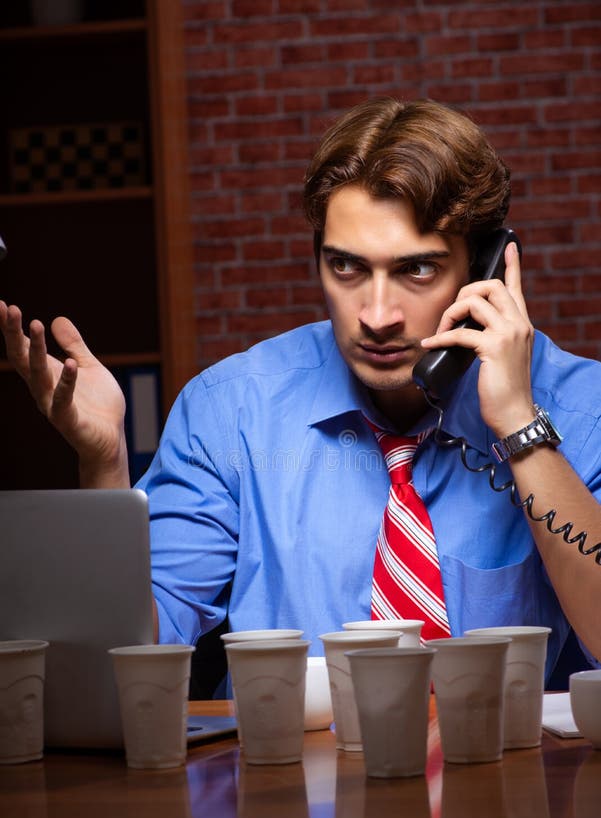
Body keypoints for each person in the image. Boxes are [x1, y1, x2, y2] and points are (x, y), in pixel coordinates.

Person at [1, 97, 600, 697]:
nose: (377, 315)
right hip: (283, 781)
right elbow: (129, 662)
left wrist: (521, 426)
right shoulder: (229, 412)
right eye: (346, 267)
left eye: (418, 270)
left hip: (501, 783)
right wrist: (104, 468)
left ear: (486, 271)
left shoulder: (584, 410)